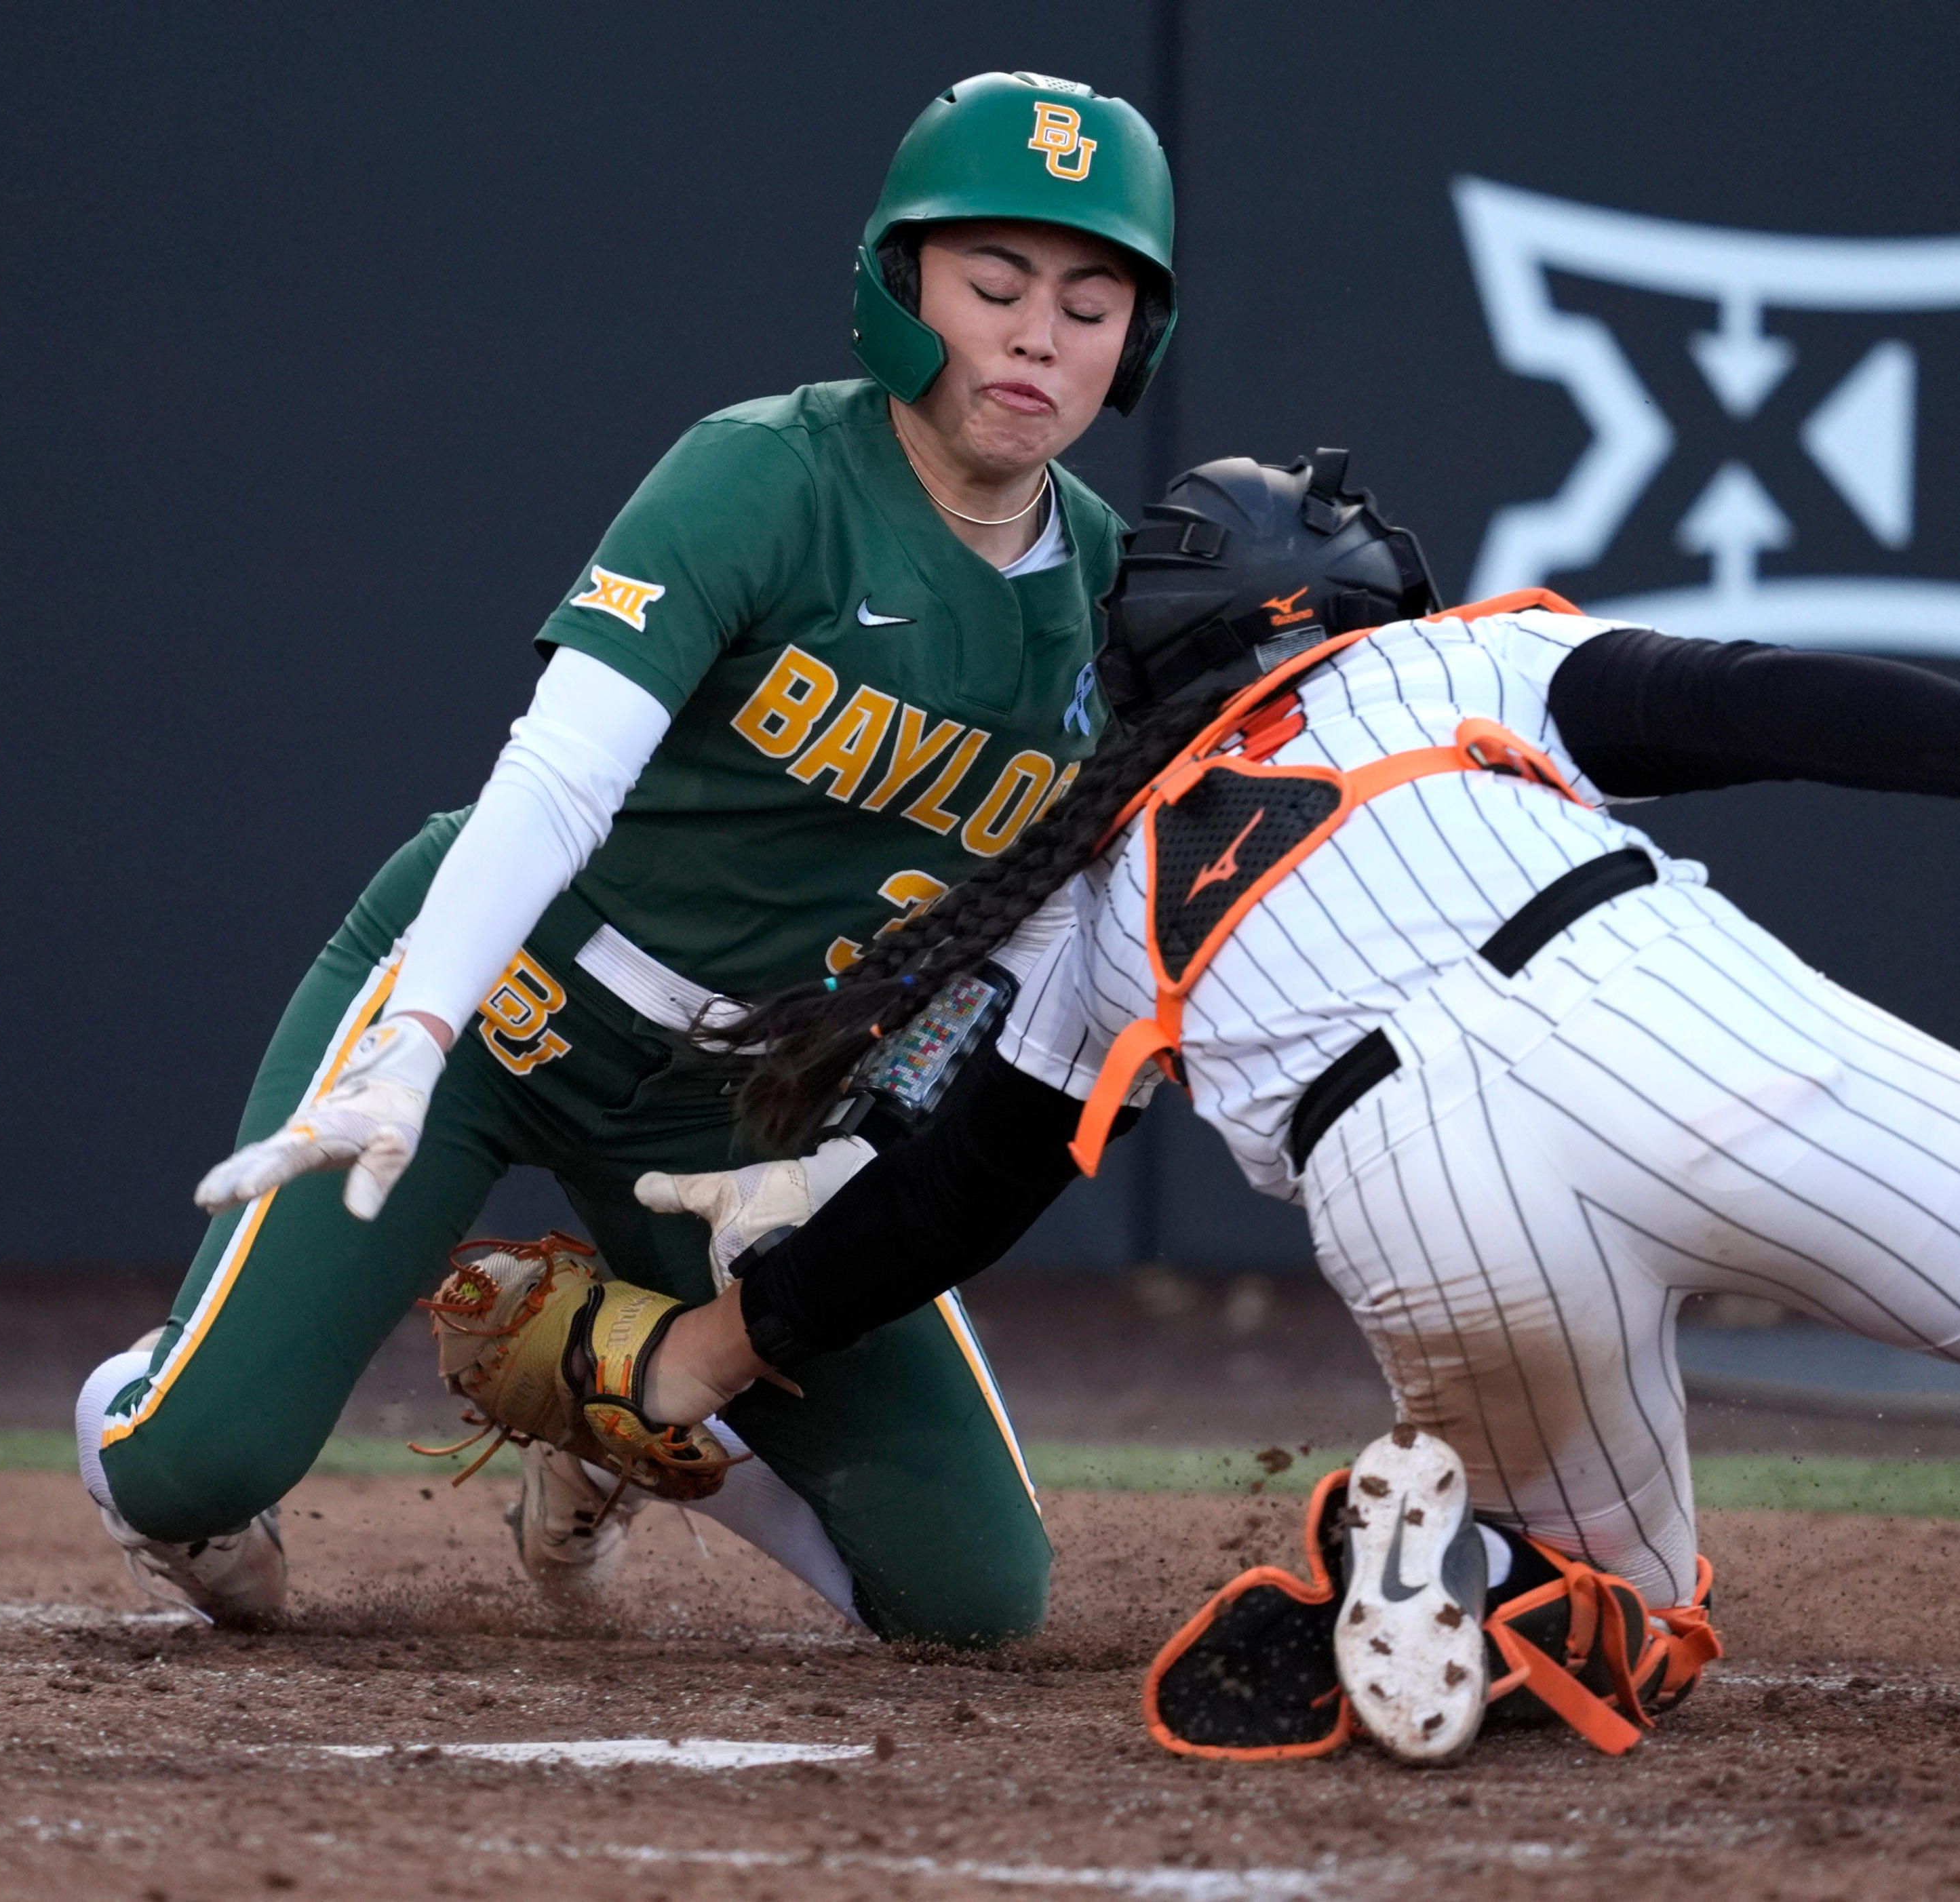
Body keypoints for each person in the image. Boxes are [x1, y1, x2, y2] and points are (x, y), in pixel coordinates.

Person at [416, 450, 1960, 1764]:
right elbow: (1741, 701)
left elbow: (959, 1195)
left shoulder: (1098, 893)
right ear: (1317, 584)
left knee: (1632, 1615)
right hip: (1663, 1011)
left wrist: (709, 1345)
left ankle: (1469, 1572)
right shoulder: (1451, 668)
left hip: (1413, 1188)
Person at [68, 70, 1178, 1644]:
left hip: (750, 1107)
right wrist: (416, 1029)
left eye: (1089, 300)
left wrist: (861, 1170)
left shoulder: (1120, 602)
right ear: (898, 285)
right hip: (509, 997)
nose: (1036, 334)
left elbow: (1058, 963)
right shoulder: (765, 474)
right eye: (994, 284)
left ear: (1139, 339)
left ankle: (613, 1429)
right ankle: (160, 1416)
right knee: (196, 1459)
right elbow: (557, 778)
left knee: (972, 1596)